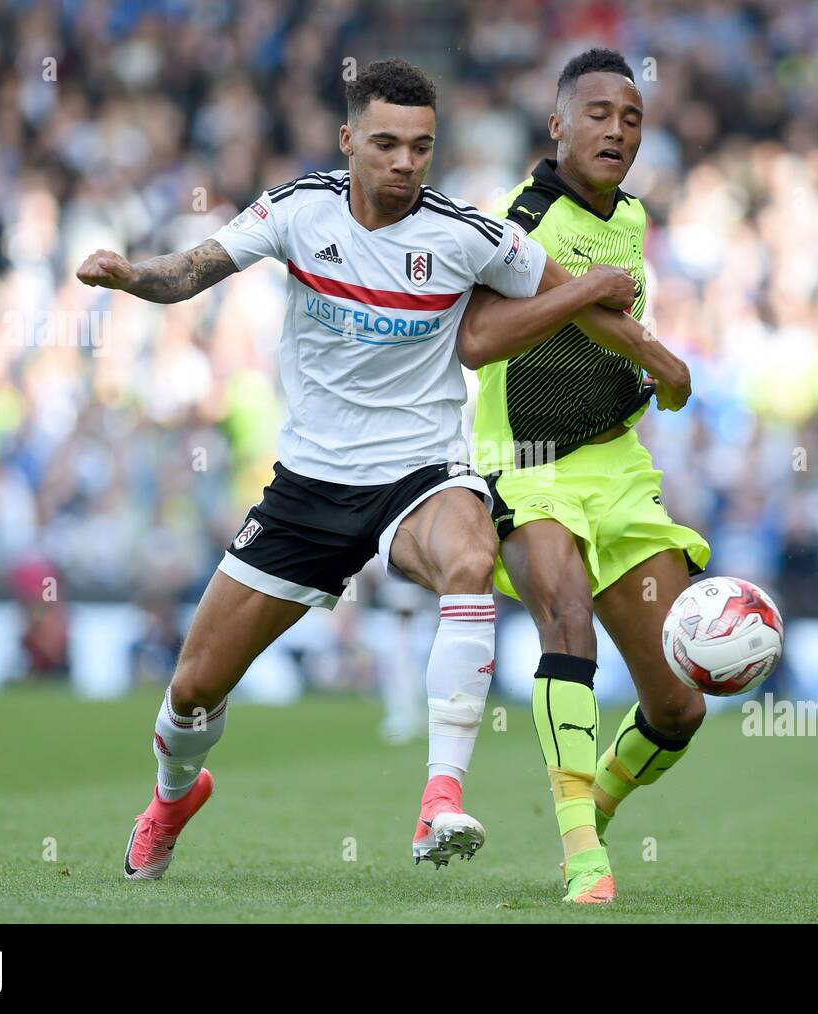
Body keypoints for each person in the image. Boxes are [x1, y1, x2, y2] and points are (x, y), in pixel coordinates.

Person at [75, 58, 673, 880]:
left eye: (421, 148)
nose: (404, 164)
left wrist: (652, 354)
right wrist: (130, 277)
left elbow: (587, 303)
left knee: (471, 555)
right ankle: (173, 795)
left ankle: (440, 801)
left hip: (420, 472)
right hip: (310, 486)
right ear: (349, 139)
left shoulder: (467, 234)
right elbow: (192, 271)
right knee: (192, 690)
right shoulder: (298, 210)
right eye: (387, 144)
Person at [460, 49, 710, 903]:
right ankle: (583, 860)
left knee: (679, 709)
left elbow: (603, 335)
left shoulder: (633, 219)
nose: (616, 130)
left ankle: (591, 805)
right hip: (525, 467)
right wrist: (634, 336)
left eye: (632, 118)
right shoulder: (519, 221)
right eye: (598, 113)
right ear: (558, 124)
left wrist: (644, 373)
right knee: (568, 625)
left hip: (616, 466)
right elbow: (478, 339)